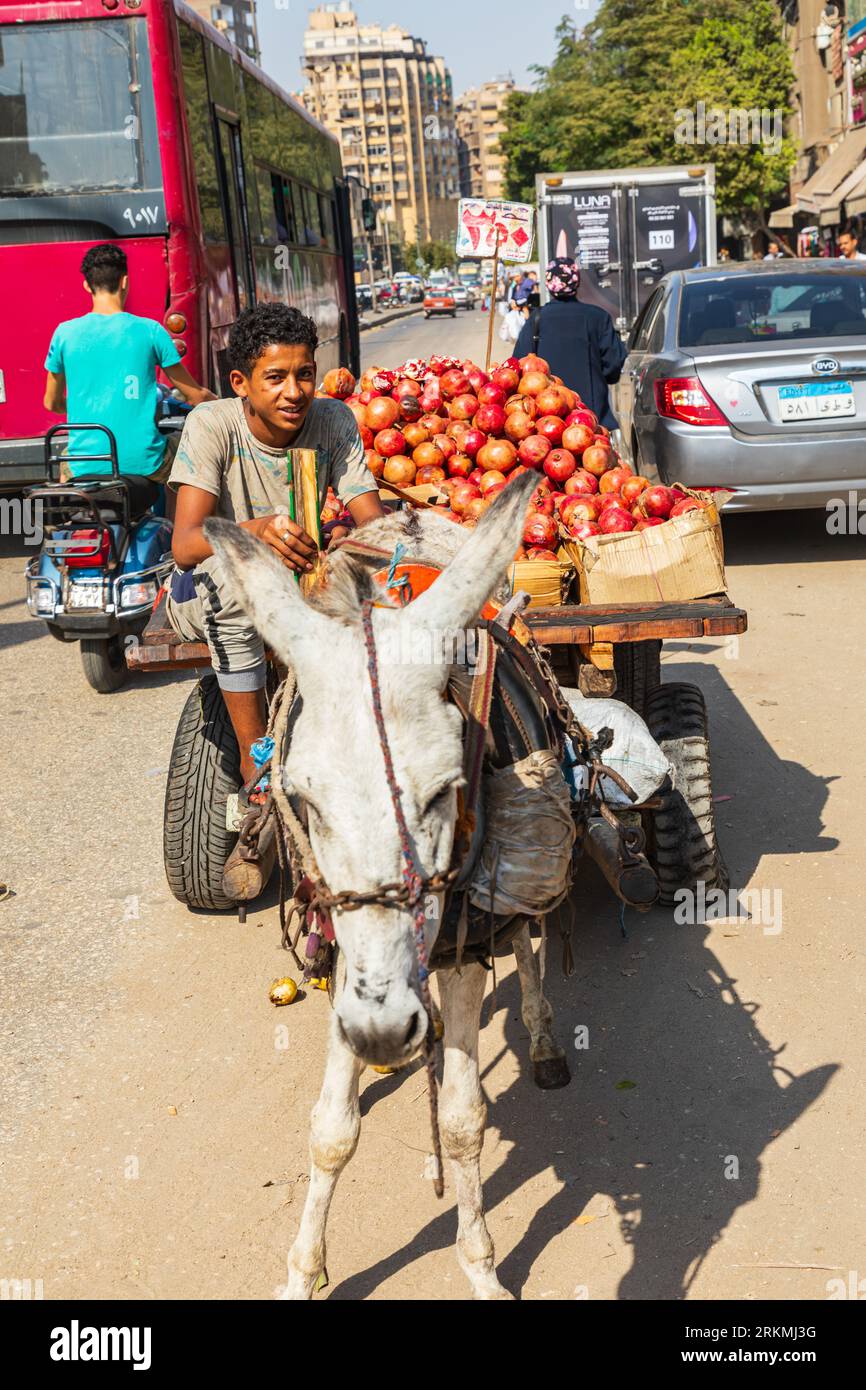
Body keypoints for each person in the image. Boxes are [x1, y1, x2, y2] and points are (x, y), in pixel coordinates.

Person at [166, 302, 384, 802]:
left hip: (300, 588)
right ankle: (254, 758)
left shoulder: (333, 420)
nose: (295, 392)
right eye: (276, 377)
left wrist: (352, 539)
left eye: (305, 374)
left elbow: (374, 522)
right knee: (241, 574)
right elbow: (184, 546)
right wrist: (255, 531)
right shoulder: (213, 424)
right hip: (209, 591)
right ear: (241, 383)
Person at [43, 243, 214, 482]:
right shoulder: (151, 330)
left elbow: (51, 402)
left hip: (86, 467)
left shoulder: (64, 333)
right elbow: (196, 396)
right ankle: (183, 520)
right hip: (147, 464)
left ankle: (75, 518)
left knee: (68, 463)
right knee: (190, 449)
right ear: (125, 281)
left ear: (86, 285)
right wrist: (230, 406)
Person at [514, 257, 627, 431]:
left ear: (548, 284)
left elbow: (518, 368)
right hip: (593, 421)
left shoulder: (536, 320)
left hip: (548, 425)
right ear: (577, 281)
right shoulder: (598, 317)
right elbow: (613, 366)